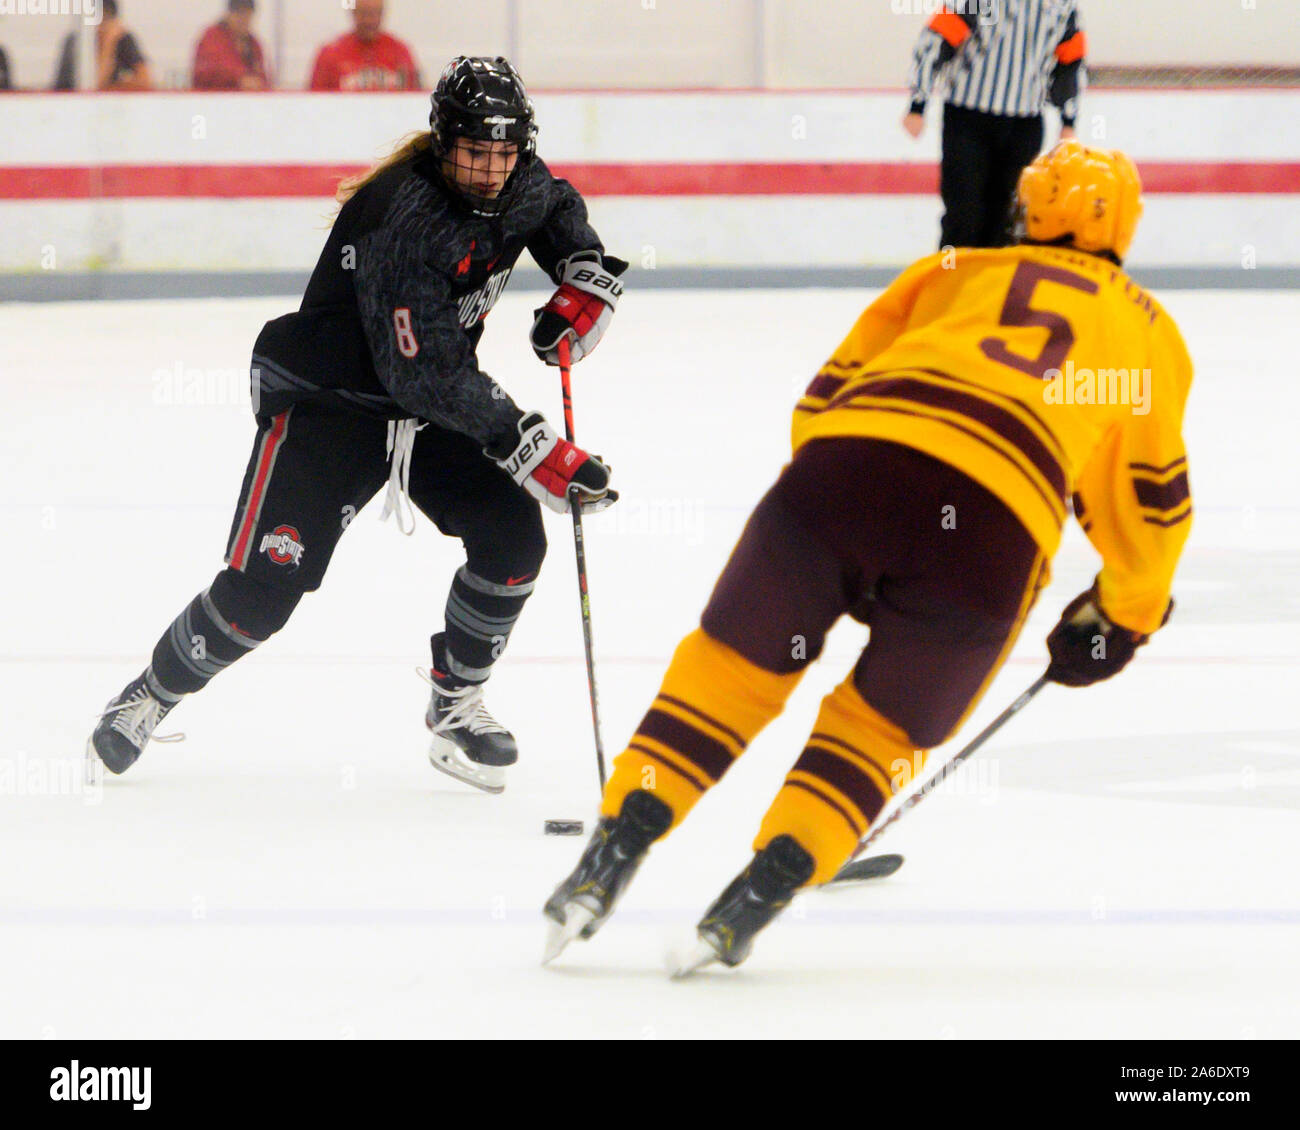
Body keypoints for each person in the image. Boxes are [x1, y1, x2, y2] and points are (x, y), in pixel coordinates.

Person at [544, 141, 1193, 974]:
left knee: (732, 672)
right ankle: (763, 888)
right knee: (876, 731)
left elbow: (826, 395)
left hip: (847, 472)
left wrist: (837, 510)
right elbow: (1148, 505)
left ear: (1026, 209)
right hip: (993, 534)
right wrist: (1123, 617)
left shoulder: (954, 270)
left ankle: (614, 846)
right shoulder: (1147, 331)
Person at [88, 57, 628, 796]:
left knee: (513, 540)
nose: (492, 170)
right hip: (330, 403)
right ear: (443, 144)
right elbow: (422, 371)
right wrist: (528, 443)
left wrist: (585, 274)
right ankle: (150, 694)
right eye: (476, 151)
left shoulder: (518, 178)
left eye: (505, 153)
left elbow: (555, 207)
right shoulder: (399, 218)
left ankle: (455, 702)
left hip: (431, 410)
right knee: (263, 593)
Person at [903, 0, 1086, 249]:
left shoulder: (1062, 5)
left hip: (1025, 122)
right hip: (968, 116)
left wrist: (1068, 120)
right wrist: (918, 103)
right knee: (963, 214)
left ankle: (995, 286)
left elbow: (1071, 60)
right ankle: (951, 282)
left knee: (1008, 218)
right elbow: (936, 41)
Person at [309, 0, 419, 92]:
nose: (369, 20)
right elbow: (316, 100)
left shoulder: (400, 52)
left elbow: (413, 97)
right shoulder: (330, 54)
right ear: (353, 13)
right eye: (364, 13)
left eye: (375, 13)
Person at [53, 0, 153, 91]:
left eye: (106, 20)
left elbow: (146, 81)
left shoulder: (122, 39)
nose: (101, 28)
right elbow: (92, 87)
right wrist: (108, 46)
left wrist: (118, 85)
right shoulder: (76, 43)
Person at [193, 0, 270, 91]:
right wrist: (239, 79)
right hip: (213, 99)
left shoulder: (254, 45)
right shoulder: (212, 38)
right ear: (228, 14)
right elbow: (207, 72)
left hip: (246, 101)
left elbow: (263, 77)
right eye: (239, 14)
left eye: (247, 15)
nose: (243, 19)